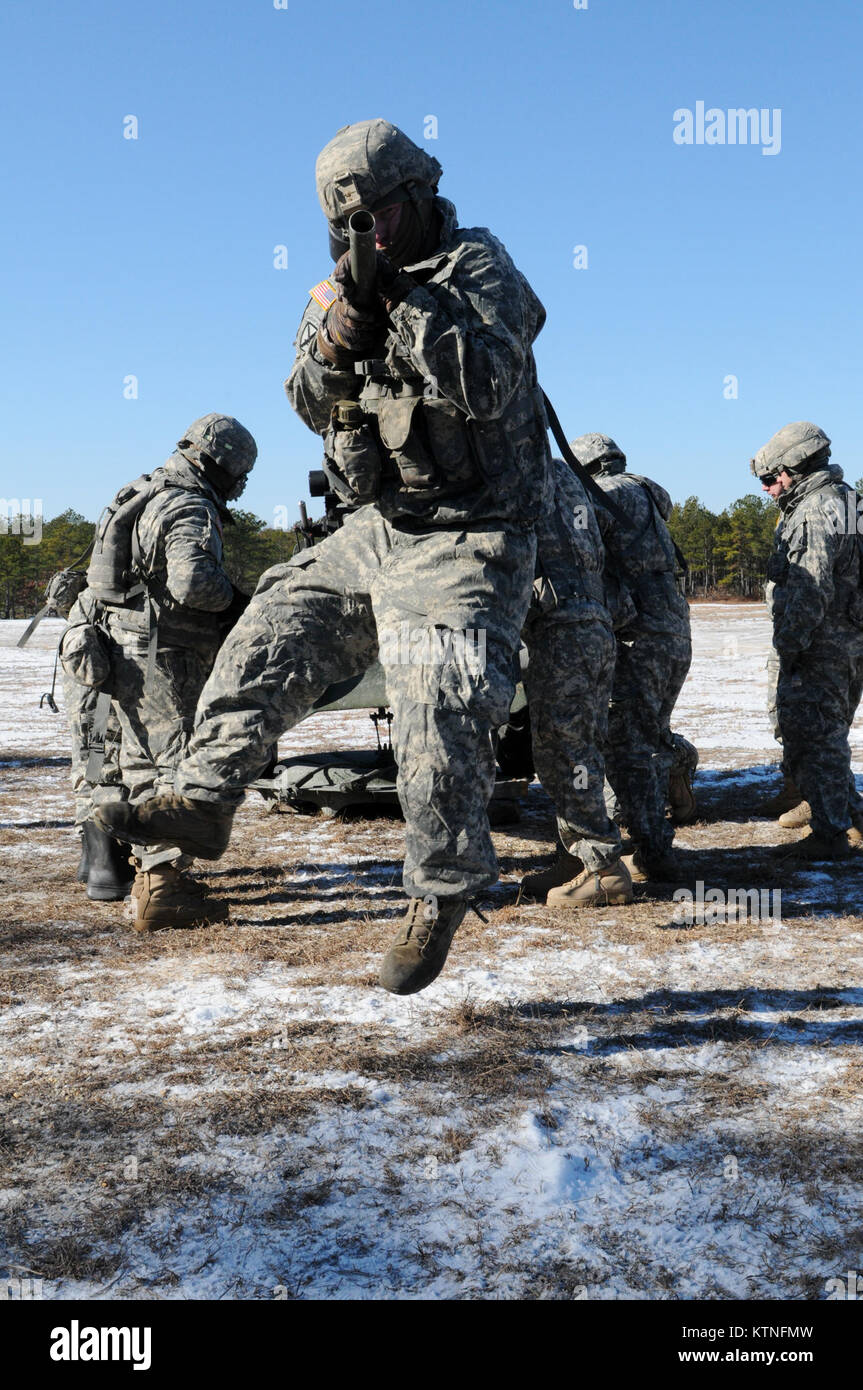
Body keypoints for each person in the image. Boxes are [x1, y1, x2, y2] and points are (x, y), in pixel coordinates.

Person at [96, 118, 553, 994]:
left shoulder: (477, 265)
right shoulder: (338, 286)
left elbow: (490, 383)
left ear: (417, 195)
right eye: (351, 224)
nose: (369, 234)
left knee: (437, 705)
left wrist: (400, 303)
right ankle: (201, 800)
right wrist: (341, 332)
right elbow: (308, 398)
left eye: (381, 213)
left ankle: (440, 890)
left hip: (471, 533)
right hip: (379, 527)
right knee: (270, 626)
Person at [76, 413, 256, 928]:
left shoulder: (144, 489)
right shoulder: (189, 504)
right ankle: (163, 889)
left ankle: (146, 877)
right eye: (239, 474)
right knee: (174, 766)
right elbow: (193, 583)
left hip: (128, 649)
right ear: (220, 464)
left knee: (139, 761)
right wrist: (237, 605)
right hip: (168, 657)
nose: (239, 486)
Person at [571, 433, 692, 881]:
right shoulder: (645, 495)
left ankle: (654, 851)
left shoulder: (604, 497)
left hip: (636, 640)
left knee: (628, 748)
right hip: (672, 636)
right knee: (648, 735)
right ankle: (671, 791)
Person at [519, 459, 633, 906]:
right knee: (569, 750)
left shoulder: (521, 474)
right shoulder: (565, 477)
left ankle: (604, 871)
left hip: (562, 633)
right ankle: (577, 858)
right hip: (590, 627)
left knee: (568, 755)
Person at [751, 421, 863, 858]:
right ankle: (850, 818)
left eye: (769, 479)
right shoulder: (850, 501)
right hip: (850, 643)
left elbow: (810, 587)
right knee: (830, 738)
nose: (765, 490)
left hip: (819, 647)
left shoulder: (813, 511)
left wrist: (790, 647)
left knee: (811, 741)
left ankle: (831, 836)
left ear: (792, 470)